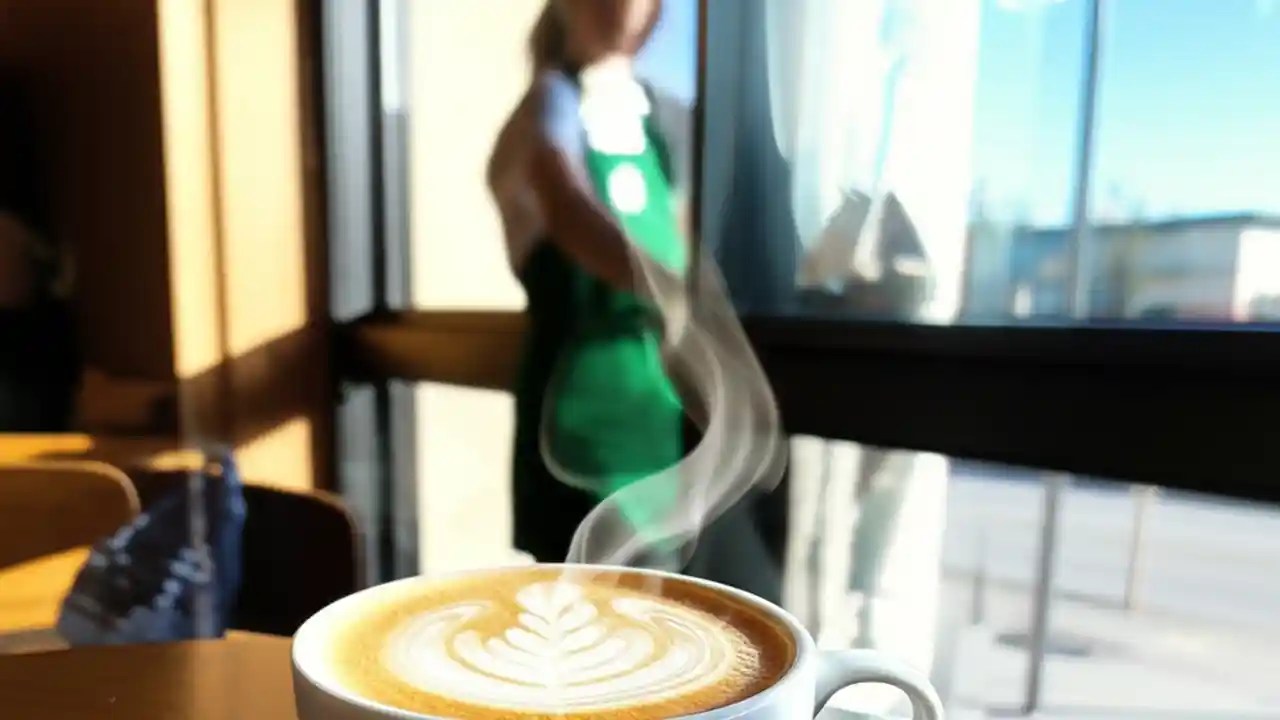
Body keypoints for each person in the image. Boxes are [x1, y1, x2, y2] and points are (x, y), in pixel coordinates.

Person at [488, 0, 690, 563]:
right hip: (573, 420)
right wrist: (675, 290)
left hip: (655, 417)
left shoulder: (653, 123)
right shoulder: (548, 110)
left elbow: (682, 237)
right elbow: (567, 208)